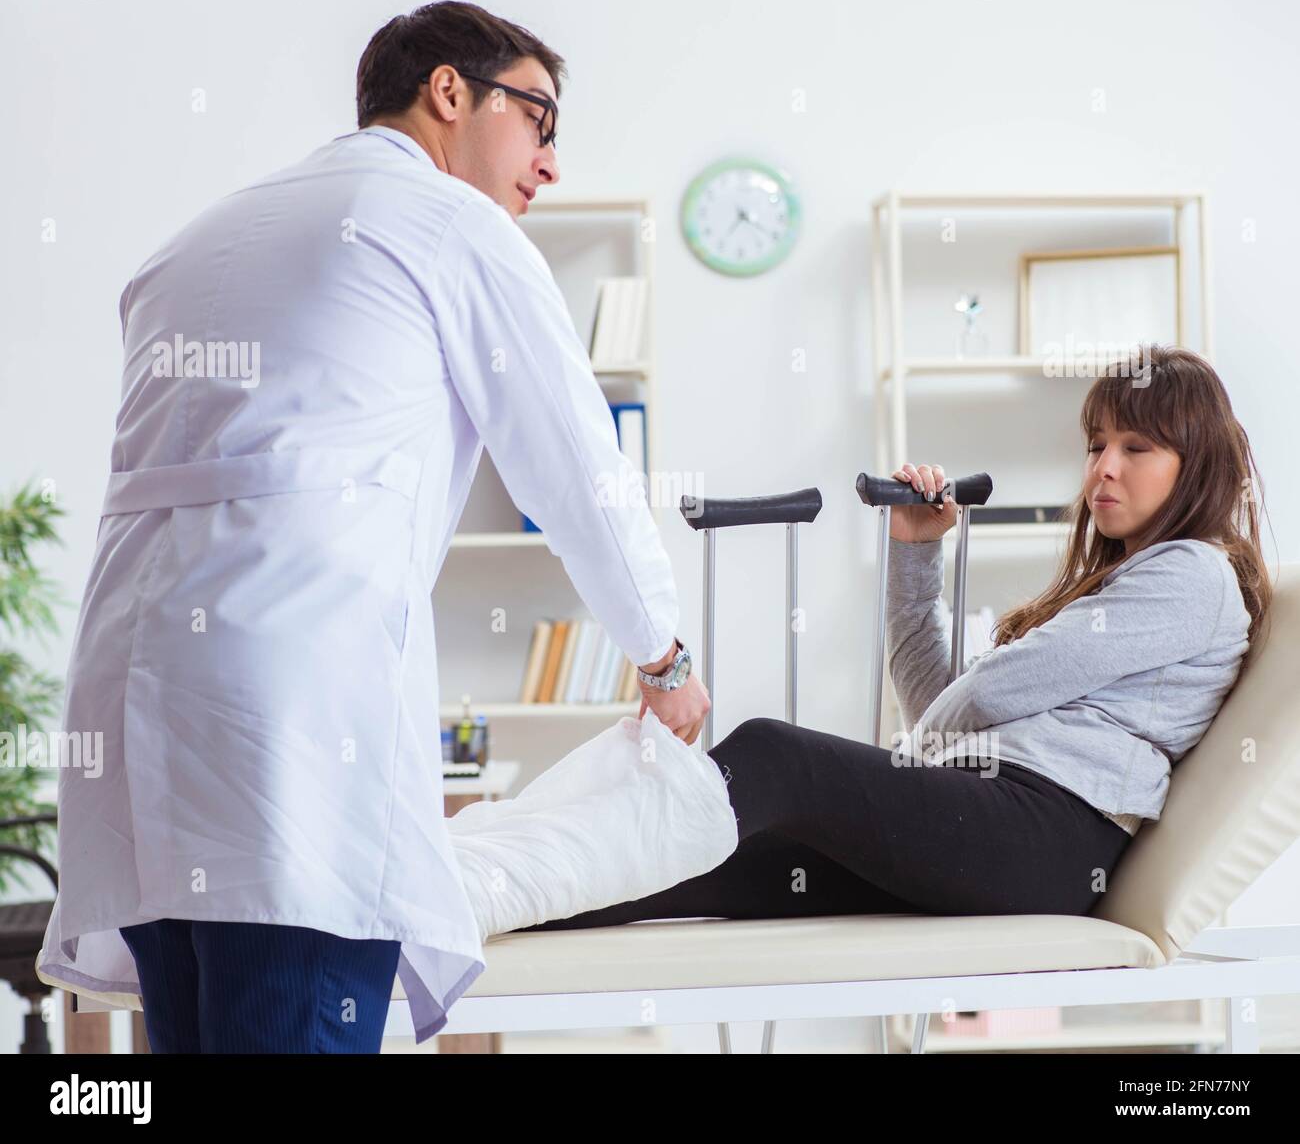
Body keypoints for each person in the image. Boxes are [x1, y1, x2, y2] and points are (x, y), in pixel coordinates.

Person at [34, 0, 709, 1053]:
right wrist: (664, 657)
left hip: (134, 706)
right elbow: (577, 466)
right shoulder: (450, 224)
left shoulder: (192, 244)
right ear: (450, 91)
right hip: (290, 711)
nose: (549, 164)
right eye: (538, 118)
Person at [520, 345, 1274, 933]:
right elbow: (938, 694)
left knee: (774, 754)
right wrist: (916, 550)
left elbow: (988, 691)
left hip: (1051, 836)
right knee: (727, 864)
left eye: (1136, 448)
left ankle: (543, 860)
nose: (1103, 468)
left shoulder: (1194, 574)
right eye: (1096, 444)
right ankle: (516, 889)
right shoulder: (1127, 579)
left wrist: (910, 762)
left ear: (1195, 461)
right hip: (1003, 819)